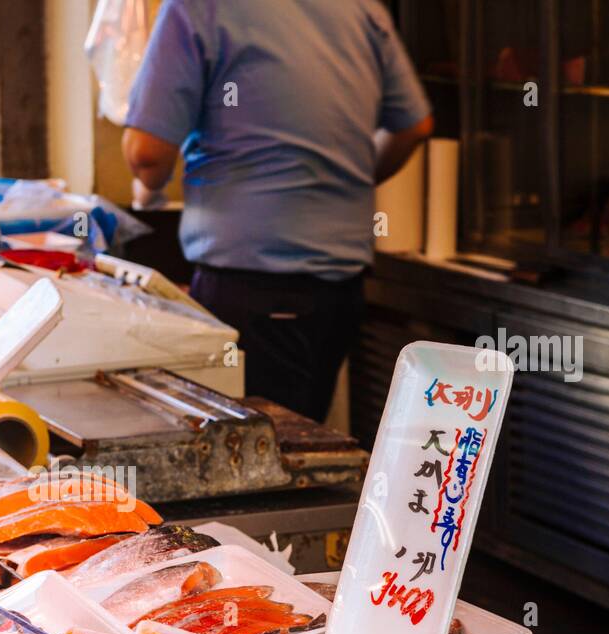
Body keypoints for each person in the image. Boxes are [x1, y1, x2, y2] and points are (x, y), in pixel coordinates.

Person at [122, 0, 434, 421]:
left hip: (250, 286)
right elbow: (414, 126)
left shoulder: (198, 8)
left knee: (258, 457)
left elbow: (146, 155)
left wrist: (153, 183)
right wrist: (344, 179)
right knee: (305, 440)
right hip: (340, 290)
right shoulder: (362, 8)